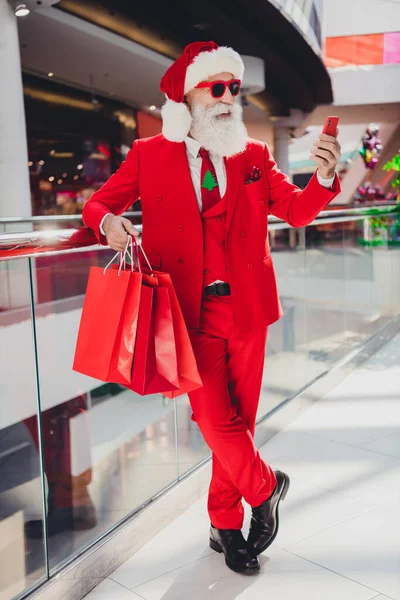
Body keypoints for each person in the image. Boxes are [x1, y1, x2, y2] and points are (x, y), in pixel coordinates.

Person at [82, 41, 341, 576]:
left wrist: (322, 180)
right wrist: (106, 223)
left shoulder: (254, 155)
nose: (228, 98)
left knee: (240, 420)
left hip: (248, 310)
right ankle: (266, 487)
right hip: (186, 314)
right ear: (188, 96)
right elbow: (98, 203)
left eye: (234, 89)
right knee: (212, 417)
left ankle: (225, 524)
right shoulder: (148, 155)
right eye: (216, 87)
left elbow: (294, 212)